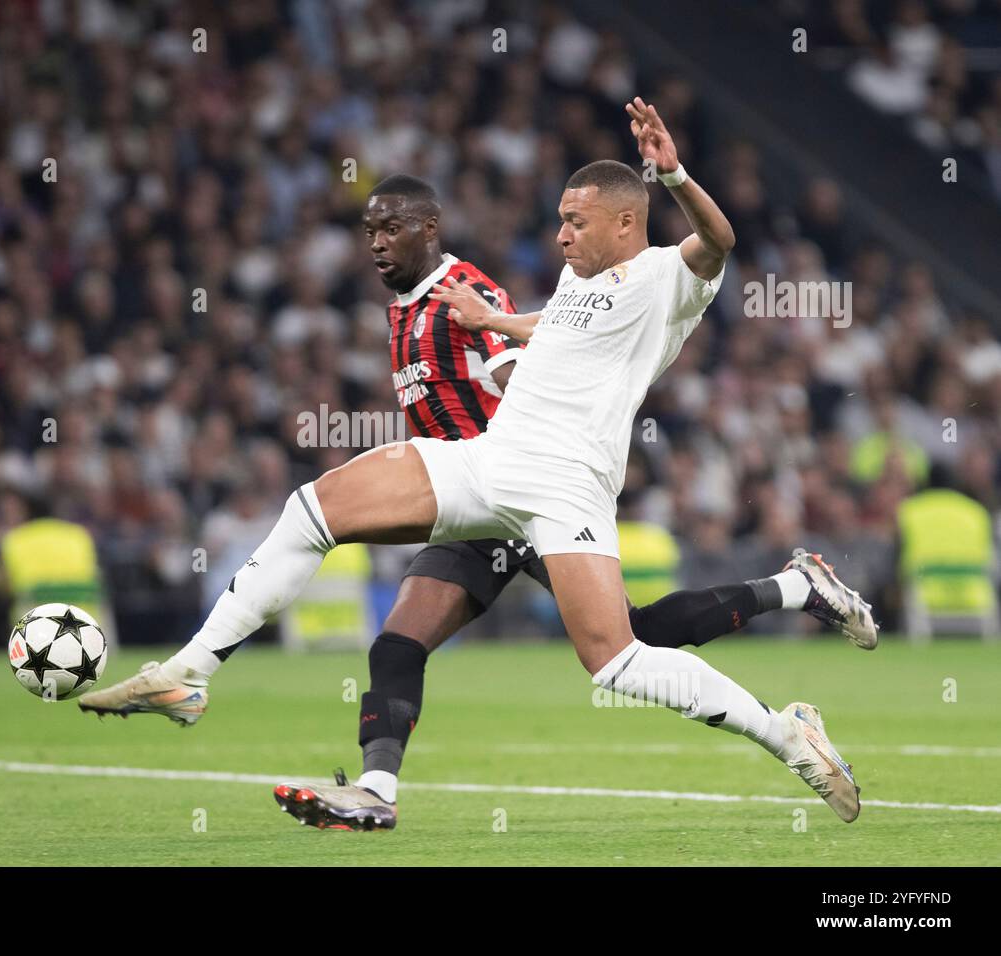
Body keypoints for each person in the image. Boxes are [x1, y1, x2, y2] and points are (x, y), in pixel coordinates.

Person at [82, 98, 871, 827]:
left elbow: (722, 241)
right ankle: (193, 674)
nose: (560, 236)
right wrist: (500, 319)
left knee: (620, 657)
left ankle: (785, 725)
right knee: (312, 510)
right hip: (490, 463)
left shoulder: (670, 279)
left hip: (569, 485)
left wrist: (675, 175)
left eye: (575, 222)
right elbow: (561, 325)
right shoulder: (575, 279)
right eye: (560, 220)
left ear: (628, 221)